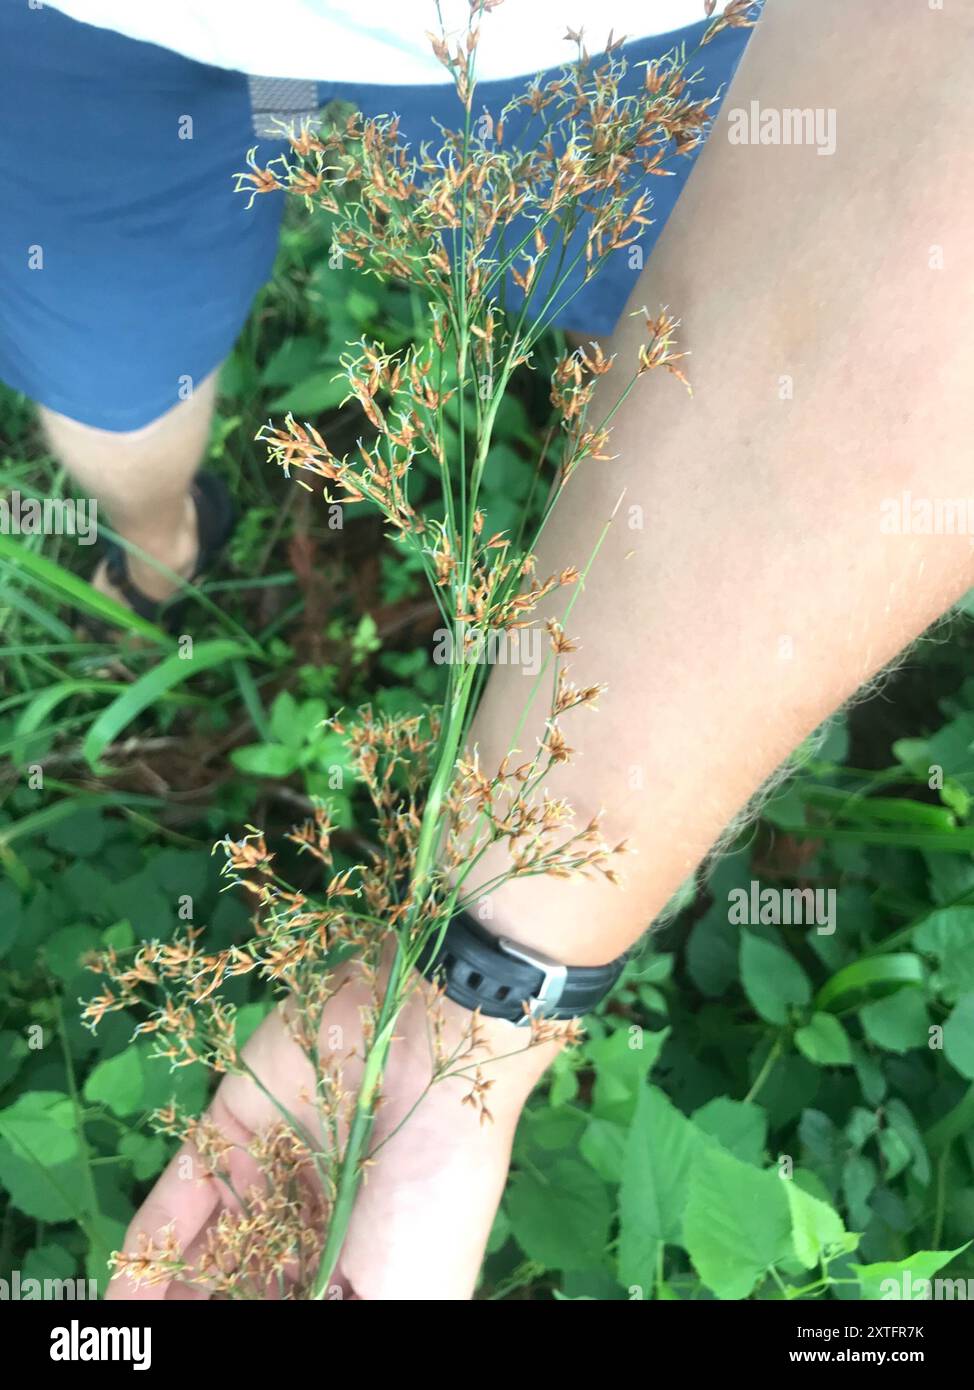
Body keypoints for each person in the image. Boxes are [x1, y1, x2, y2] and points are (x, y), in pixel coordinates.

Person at [4, 0, 973, 1299]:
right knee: (114, 387)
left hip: (596, 53)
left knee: (664, 334)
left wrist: (465, 1012)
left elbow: (904, 228)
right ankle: (154, 540)